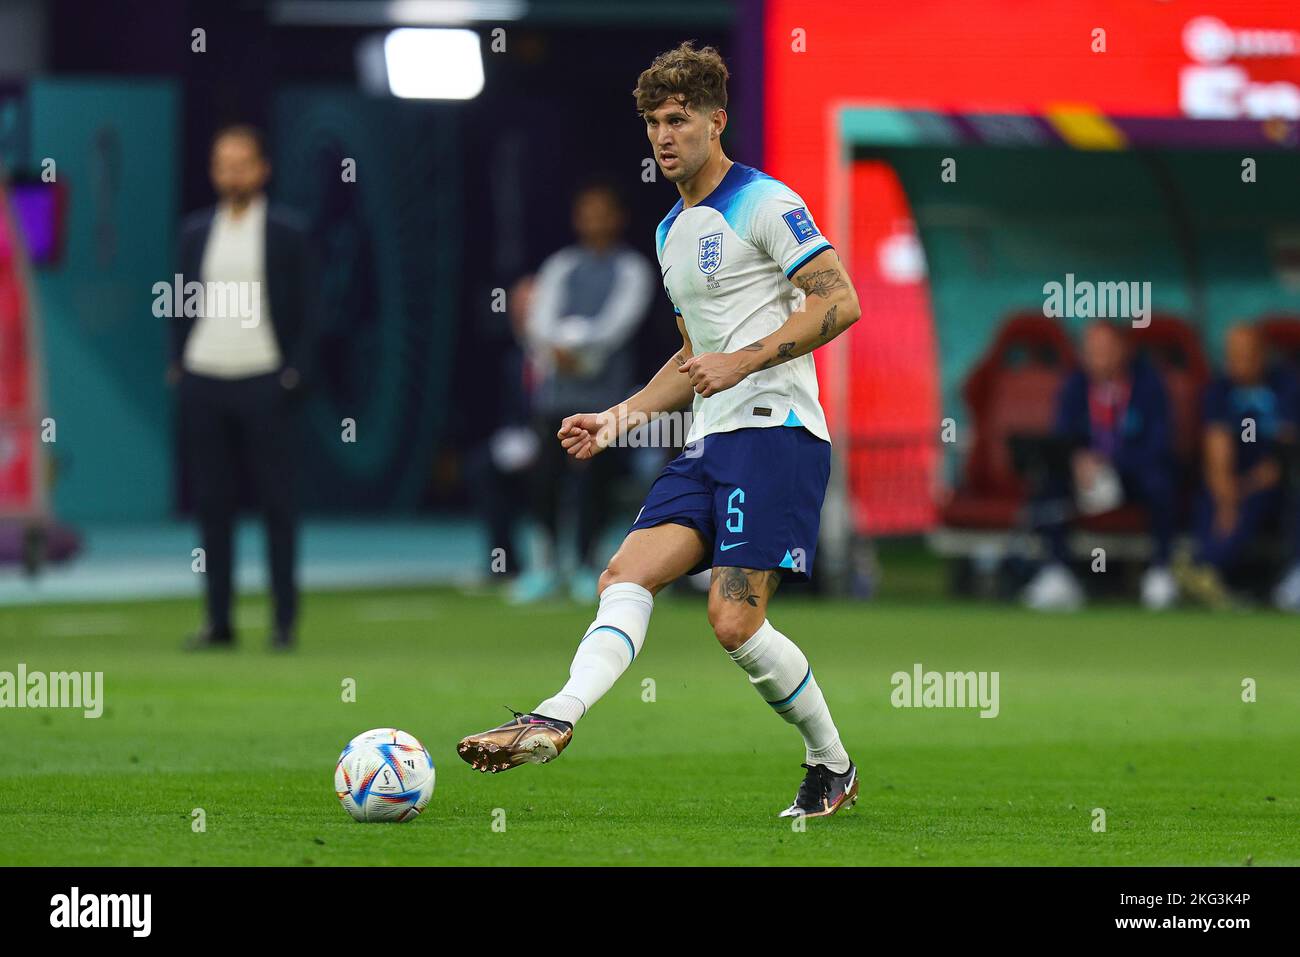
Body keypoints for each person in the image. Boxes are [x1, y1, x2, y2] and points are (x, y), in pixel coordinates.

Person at [457, 42, 864, 818]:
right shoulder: (670, 233)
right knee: (623, 575)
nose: (663, 136)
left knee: (733, 619)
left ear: (717, 121)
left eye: (678, 119)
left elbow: (839, 300)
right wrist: (617, 419)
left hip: (776, 434)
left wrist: (742, 359)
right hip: (710, 442)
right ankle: (557, 714)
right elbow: (690, 358)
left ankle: (831, 763)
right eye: (652, 123)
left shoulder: (766, 203)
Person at [170, 124, 320, 650]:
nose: (231, 172)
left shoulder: (286, 231)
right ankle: (219, 622)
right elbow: (182, 302)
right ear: (213, 171)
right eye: (222, 163)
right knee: (212, 506)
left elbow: (308, 309)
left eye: (241, 162)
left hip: (263, 378)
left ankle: (283, 623)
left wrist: (293, 372)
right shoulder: (193, 232)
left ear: (262, 169)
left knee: (278, 504)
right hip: (204, 376)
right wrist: (178, 363)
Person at [510, 180, 655, 604]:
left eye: (603, 211)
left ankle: (590, 563)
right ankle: (546, 565)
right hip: (555, 398)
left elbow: (618, 322)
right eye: (587, 211)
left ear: (617, 218)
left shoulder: (632, 269)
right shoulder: (561, 265)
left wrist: (582, 352)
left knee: (597, 482)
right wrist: (556, 348)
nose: (595, 220)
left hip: (605, 399)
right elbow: (539, 318)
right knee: (545, 481)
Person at [1021, 320, 1178, 611]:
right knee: (1050, 483)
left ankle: (1160, 571)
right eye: (1092, 349)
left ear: (1123, 350)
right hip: (1087, 477)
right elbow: (1063, 438)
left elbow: (1158, 443)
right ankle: (1058, 572)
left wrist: (1112, 464)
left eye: (1105, 348)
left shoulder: (1148, 385)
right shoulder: (1075, 386)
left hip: (1132, 472)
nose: (1098, 356)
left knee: (1160, 482)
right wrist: (1078, 460)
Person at [1177, 324, 1300, 609]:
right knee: (1210, 502)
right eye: (1233, 355)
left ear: (1263, 355)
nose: (1238, 362)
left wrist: (1241, 492)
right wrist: (1226, 497)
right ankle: (1202, 569)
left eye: (1246, 355)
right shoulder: (1218, 390)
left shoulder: (1287, 385)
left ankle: (1292, 575)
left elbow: (1284, 455)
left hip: (1273, 478)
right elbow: (1216, 449)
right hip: (1232, 477)